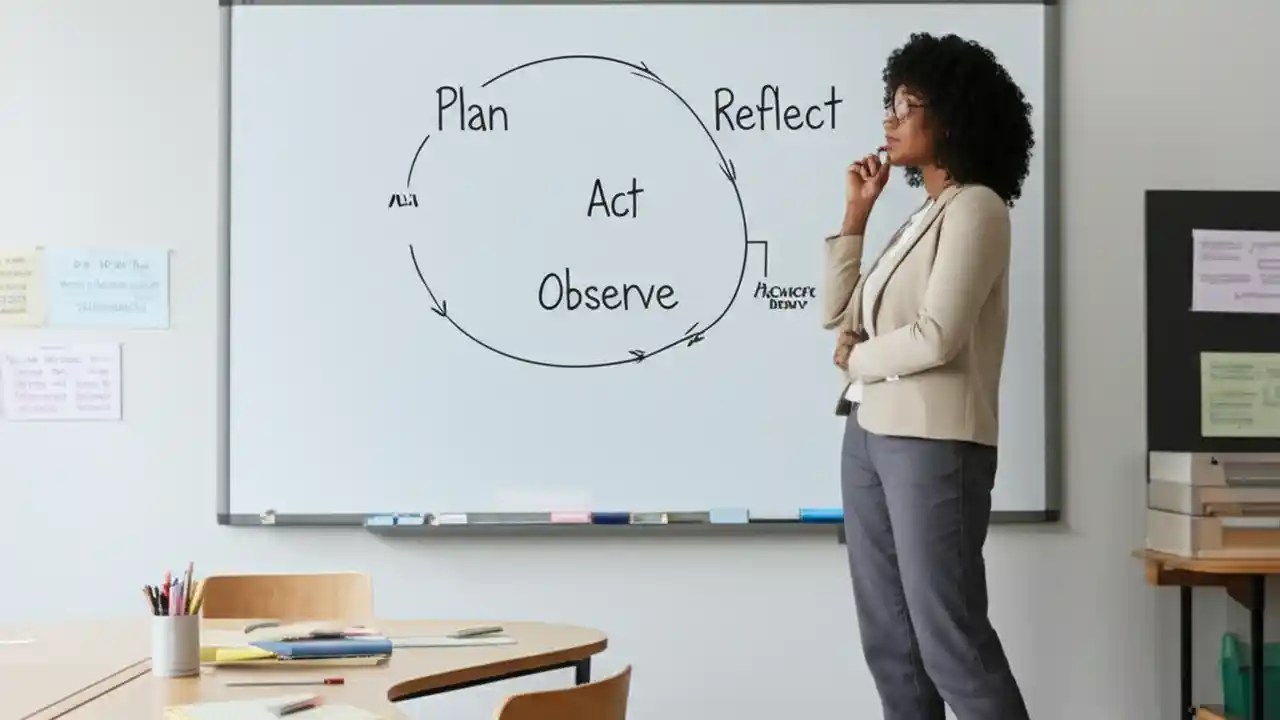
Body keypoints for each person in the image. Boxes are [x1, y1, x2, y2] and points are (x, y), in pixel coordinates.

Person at [820, 32, 1035, 720]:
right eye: (891, 102)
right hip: (869, 436)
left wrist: (858, 359)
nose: (890, 118)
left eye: (907, 104)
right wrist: (857, 215)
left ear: (951, 116)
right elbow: (837, 313)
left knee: (953, 645)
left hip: (933, 445)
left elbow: (937, 337)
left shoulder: (978, 208)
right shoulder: (921, 218)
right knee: (893, 650)